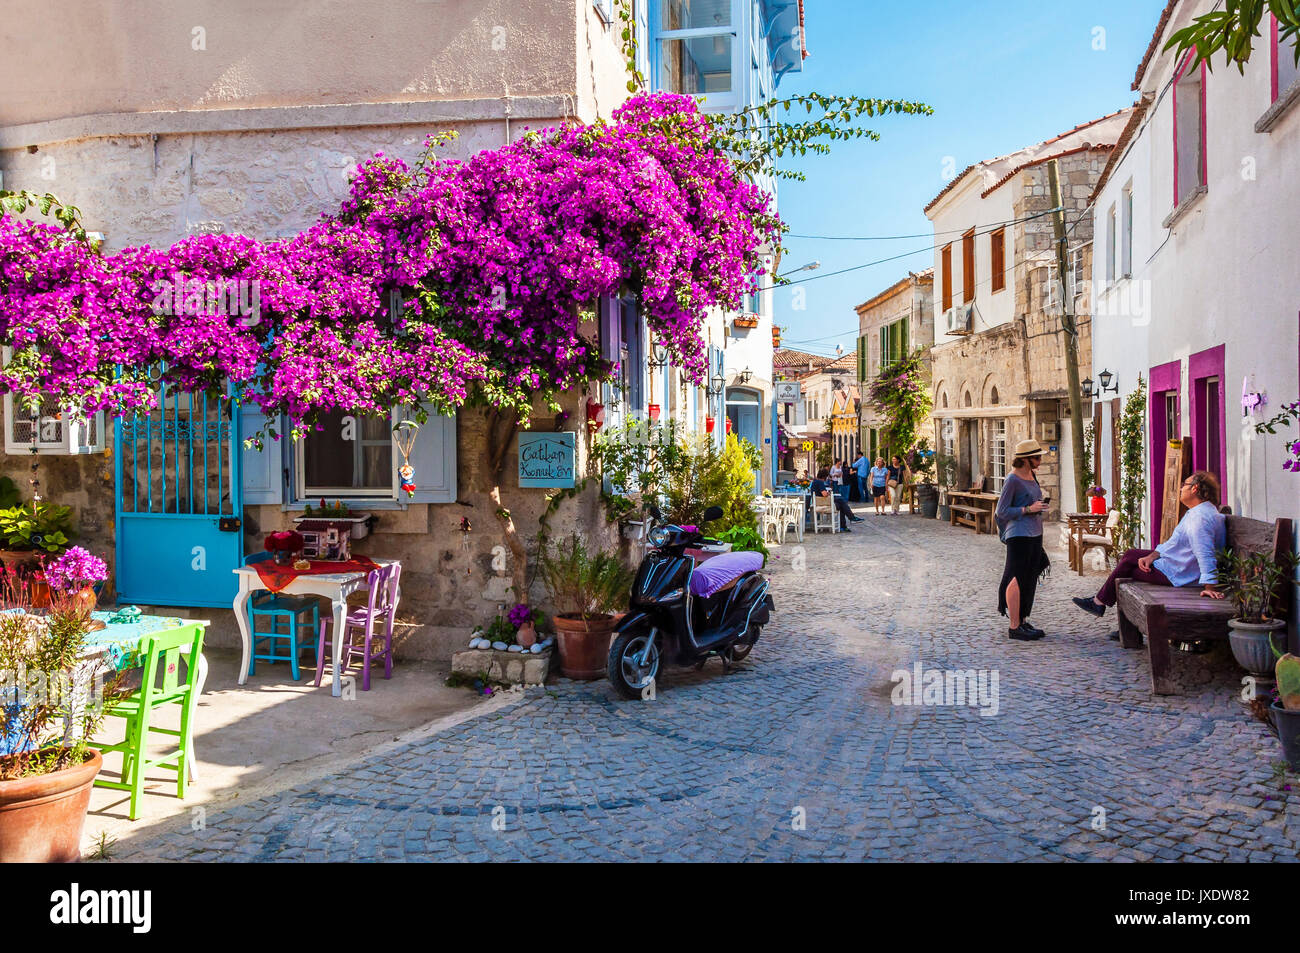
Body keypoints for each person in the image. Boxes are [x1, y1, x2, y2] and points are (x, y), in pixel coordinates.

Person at [1072, 471, 1226, 631]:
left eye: (1184, 485)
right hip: (1179, 566)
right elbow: (1172, 544)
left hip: (1181, 575)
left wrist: (1210, 587)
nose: (1180, 489)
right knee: (1131, 556)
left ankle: (1103, 606)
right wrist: (1152, 556)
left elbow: (1205, 553)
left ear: (1195, 489)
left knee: (1128, 569)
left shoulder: (1199, 518)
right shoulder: (1198, 512)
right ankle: (1101, 604)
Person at [995, 439, 1050, 641]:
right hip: (1018, 535)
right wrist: (1027, 510)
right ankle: (1014, 626)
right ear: (1025, 459)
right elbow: (1001, 511)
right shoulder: (1012, 480)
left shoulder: (1032, 475)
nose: (1040, 460)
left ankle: (1023, 620)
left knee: (1029, 577)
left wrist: (1039, 507)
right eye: (1037, 457)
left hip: (1035, 533)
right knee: (1015, 577)